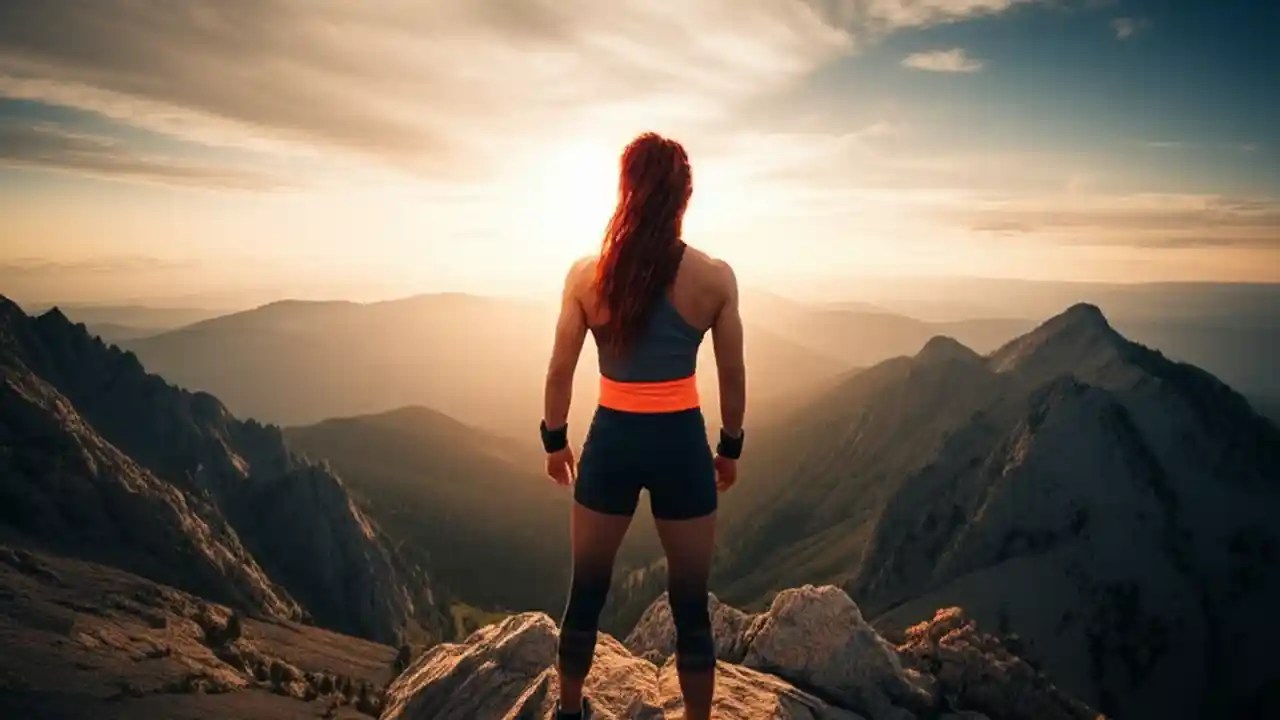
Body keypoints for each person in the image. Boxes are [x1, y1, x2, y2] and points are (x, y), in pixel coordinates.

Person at [540, 132, 746, 720]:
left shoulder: (587, 276)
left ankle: (571, 710)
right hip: (682, 445)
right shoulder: (714, 278)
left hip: (611, 444)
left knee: (586, 592)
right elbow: (732, 375)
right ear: (683, 196)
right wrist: (729, 448)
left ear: (625, 190)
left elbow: (560, 368)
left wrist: (555, 441)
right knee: (690, 605)